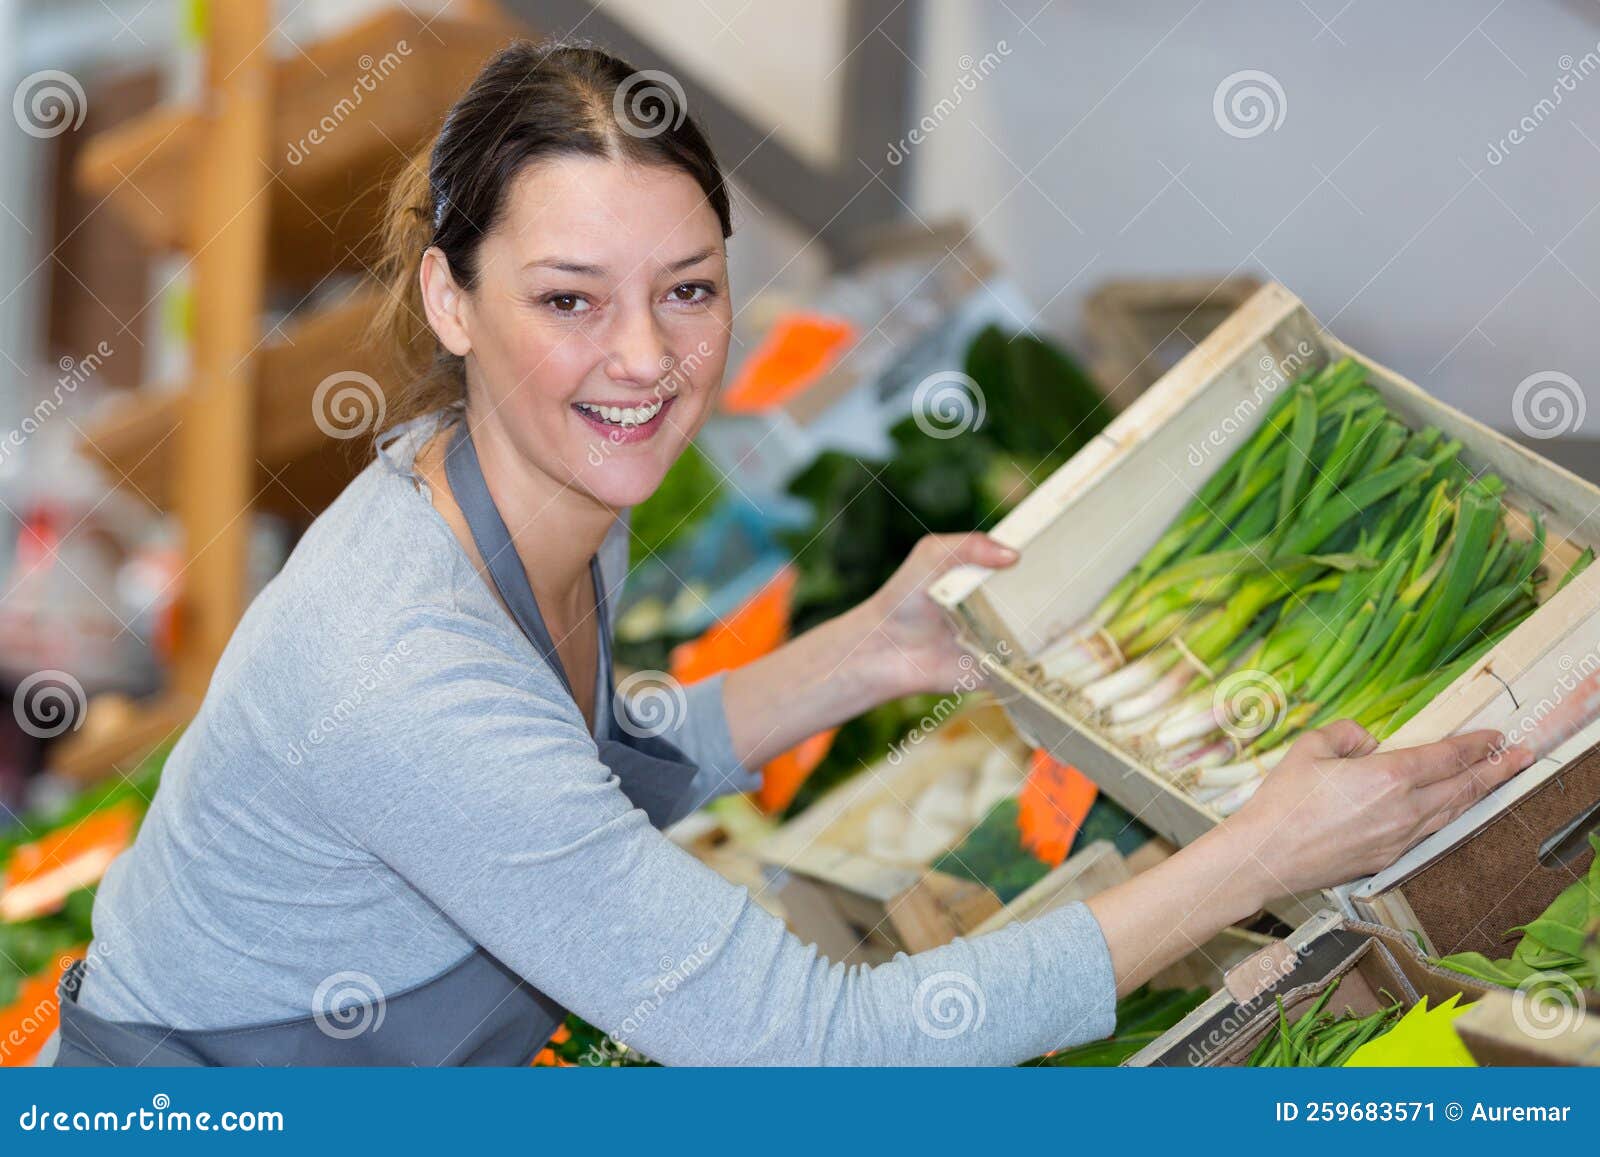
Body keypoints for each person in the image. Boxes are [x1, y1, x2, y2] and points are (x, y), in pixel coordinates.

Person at [52, 40, 1530, 1067]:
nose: (645, 358)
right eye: (569, 299)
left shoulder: (508, 490)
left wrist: (864, 656)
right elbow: (819, 1049)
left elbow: (578, 760)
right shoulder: (402, 660)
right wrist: (1255, 854)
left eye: (687, 289)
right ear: (448, 299)